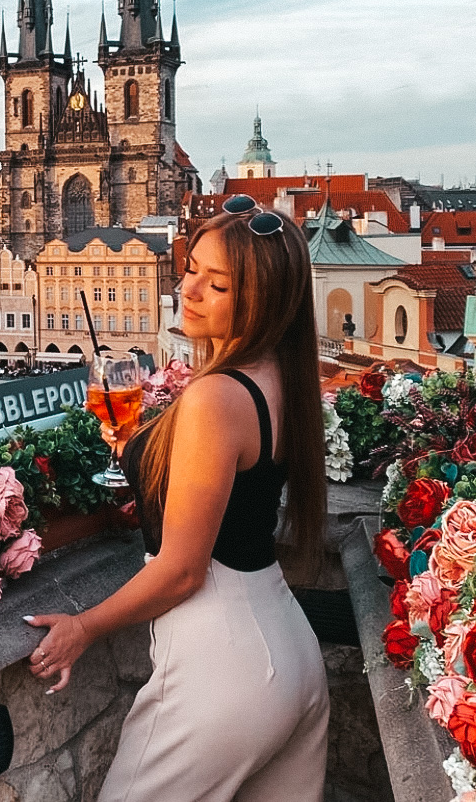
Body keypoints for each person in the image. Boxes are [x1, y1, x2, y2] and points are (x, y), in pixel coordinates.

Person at [25, 200, 329, 802]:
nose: (187, 290)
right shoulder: (278, 376)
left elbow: (183, 569)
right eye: (190, 269)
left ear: (262, 301)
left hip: (223, 669)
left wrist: (83, 627)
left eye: (216, 284)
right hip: (291, 653)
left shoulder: (216, 396)